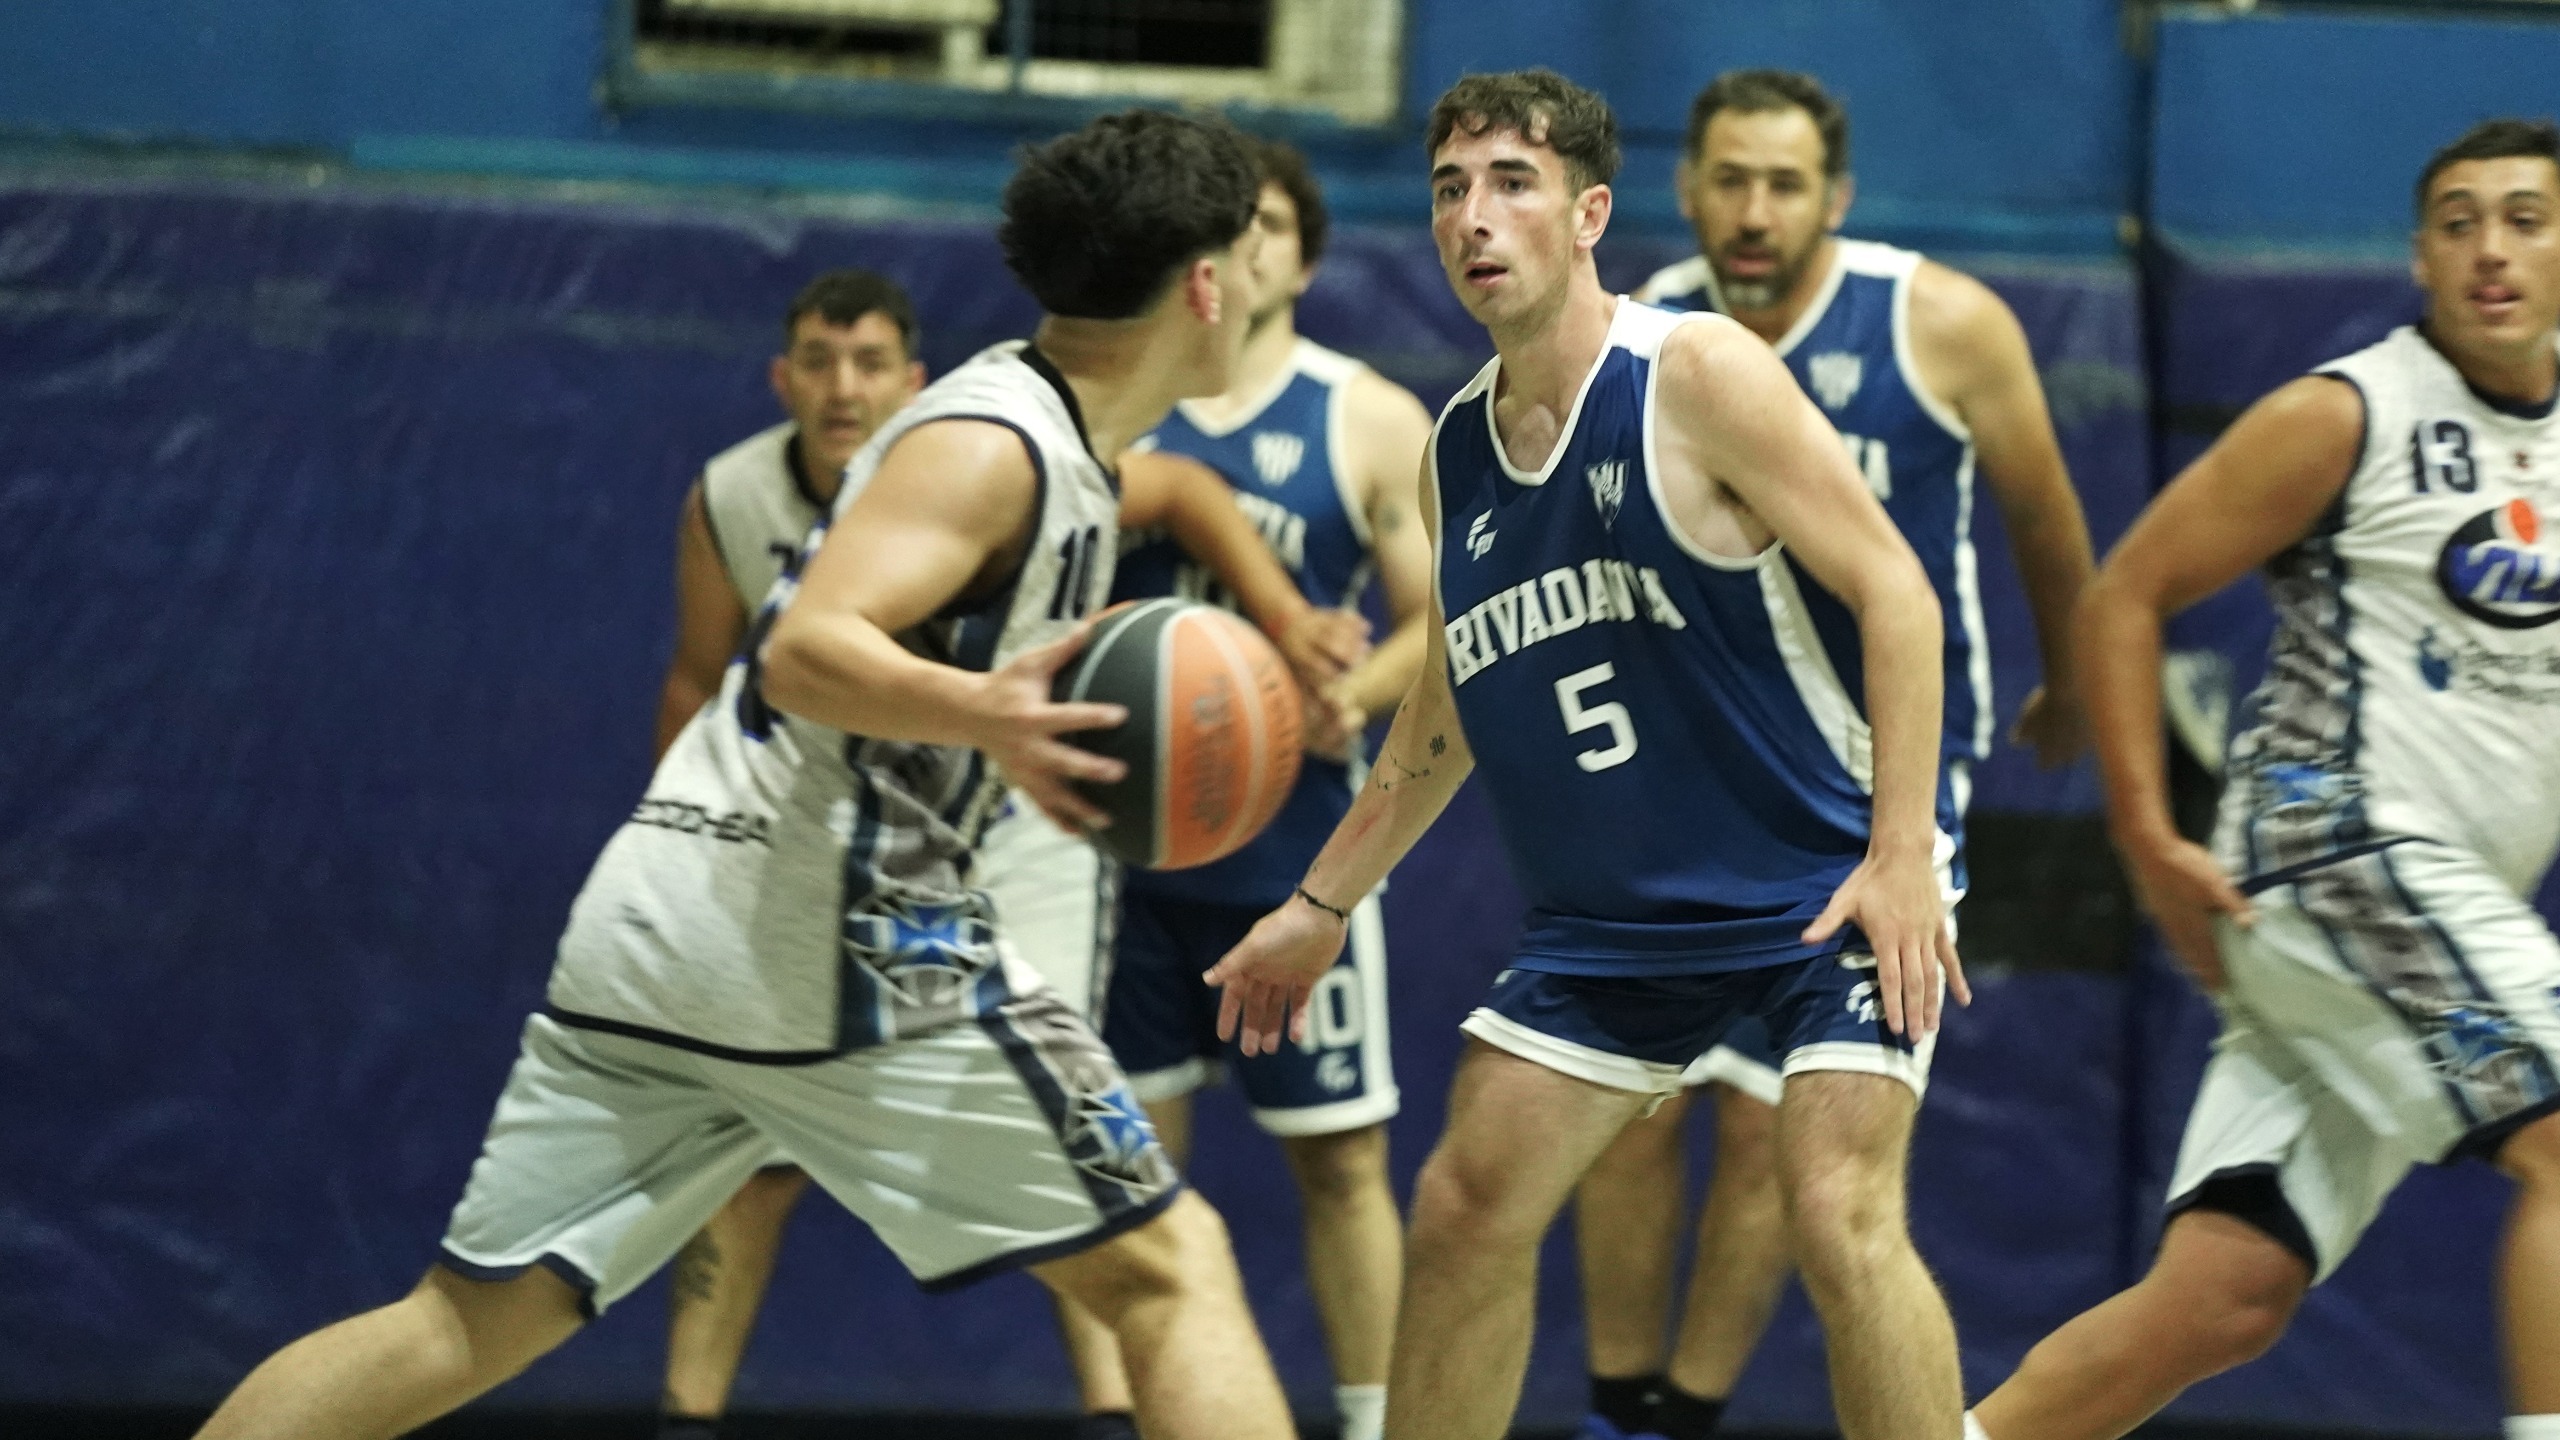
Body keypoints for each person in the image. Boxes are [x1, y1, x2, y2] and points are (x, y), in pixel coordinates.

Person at [191, 108, 1316, 1440]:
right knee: (1175, 1271)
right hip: (829, 929)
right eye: (1244, 250)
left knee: (465, 1321)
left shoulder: (1051, 442)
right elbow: (803, 648)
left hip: (665, 922)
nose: (1255, 279)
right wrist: (988, 714)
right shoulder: (993, 442)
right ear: (1202, 286)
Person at [1207, 69, 1971, 1440]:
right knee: (1462, 1206)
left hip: (1818, 878)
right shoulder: (1455, 445)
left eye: (1513, 184)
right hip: (1616, 927)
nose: (1474, 219)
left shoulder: (1695, 373)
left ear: (1589, 214)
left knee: (1837, 1210)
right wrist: (1318, 907)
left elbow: (1899, 592)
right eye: (1450, 189)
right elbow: (1445, 710)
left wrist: (1905, 852)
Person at [645, 269, 1364, 1438]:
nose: (843, 387)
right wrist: (682, 840)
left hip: (1006, 834)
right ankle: (687, 1414)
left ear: (907, 379)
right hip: (810, 846)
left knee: (1081, 1148)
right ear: (781, 377)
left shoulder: (983, 467)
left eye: (869, 362)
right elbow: (697, 681)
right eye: (819, 362)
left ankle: (1113, 1414)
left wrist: (1284, 618)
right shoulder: (730, 496)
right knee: (745, 1146)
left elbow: (1180, 484)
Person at [1966, 116, 2560, 1440]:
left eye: (2526, 218)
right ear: (2420, 258)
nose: (2492, 251)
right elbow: (2128, 593)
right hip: (2335, 855)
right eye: (2460, 224)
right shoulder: (2348, 413)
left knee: (2224, 1300)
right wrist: (2144, 836)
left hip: (2410, 914)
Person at [1568, 68, 2097, 1440]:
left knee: (1778, 1137)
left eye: (1784, 184)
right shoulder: (1640, 338)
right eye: (1729, 180)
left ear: (1836, 199)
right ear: (1685, 191)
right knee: (1627, 1110)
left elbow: (2044, 516)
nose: (1754, 212)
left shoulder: (1942, 325)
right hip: (1697, 779)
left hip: (1881, 780)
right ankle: (1618, 1408)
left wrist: (2077, 684)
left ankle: (1686, 1410)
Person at [1050, 139, 1435, 1440]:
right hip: (1122, 853)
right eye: (1228, 224)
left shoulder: (1366, 415)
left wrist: (1351, 692)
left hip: (1297, 853)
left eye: (1269, 222)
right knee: (1127, 1169)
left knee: (1343, 1160)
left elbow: (1440, 622)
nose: (1247, 241)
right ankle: (1133, 1417)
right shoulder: (1120, 403)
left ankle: (1377, 1422)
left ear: (1305, 257)